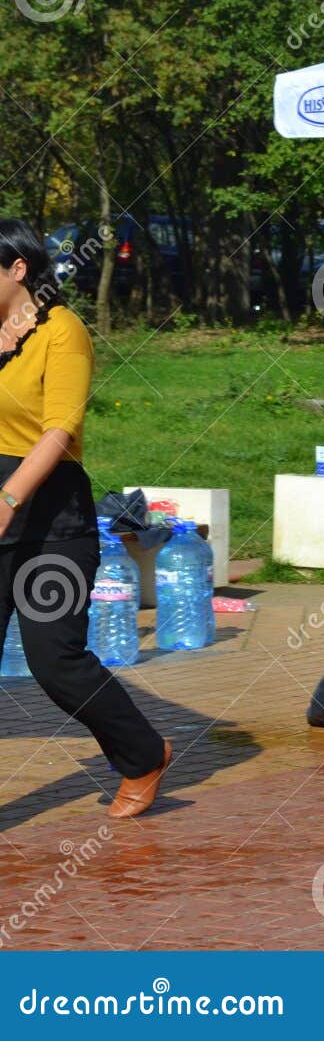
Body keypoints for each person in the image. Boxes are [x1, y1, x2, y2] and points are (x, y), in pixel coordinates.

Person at [0, 219, 170, 817]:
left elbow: (59, 430)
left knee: (55, 661)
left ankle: (143, 753)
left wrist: (9, 499)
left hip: (53, 521)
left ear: (18, 269)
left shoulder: (63, 333)